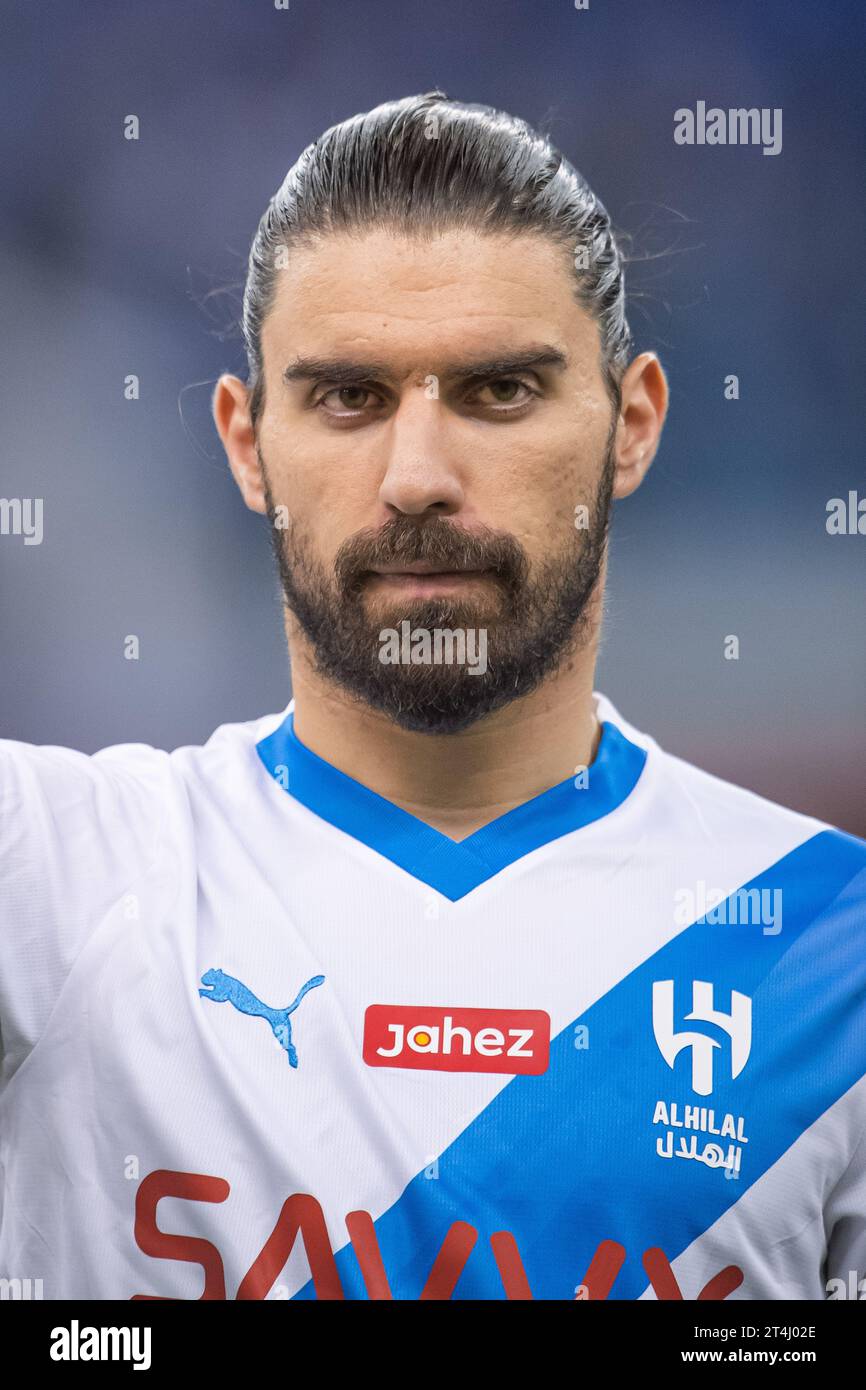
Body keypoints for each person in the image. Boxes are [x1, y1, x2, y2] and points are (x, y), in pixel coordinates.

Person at [1, 93, 864, 1301]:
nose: (415, 477)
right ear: (247, 446)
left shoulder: (831, 944)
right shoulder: (51, 876)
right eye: (347, 397)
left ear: (632, 424)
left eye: (497, 392)